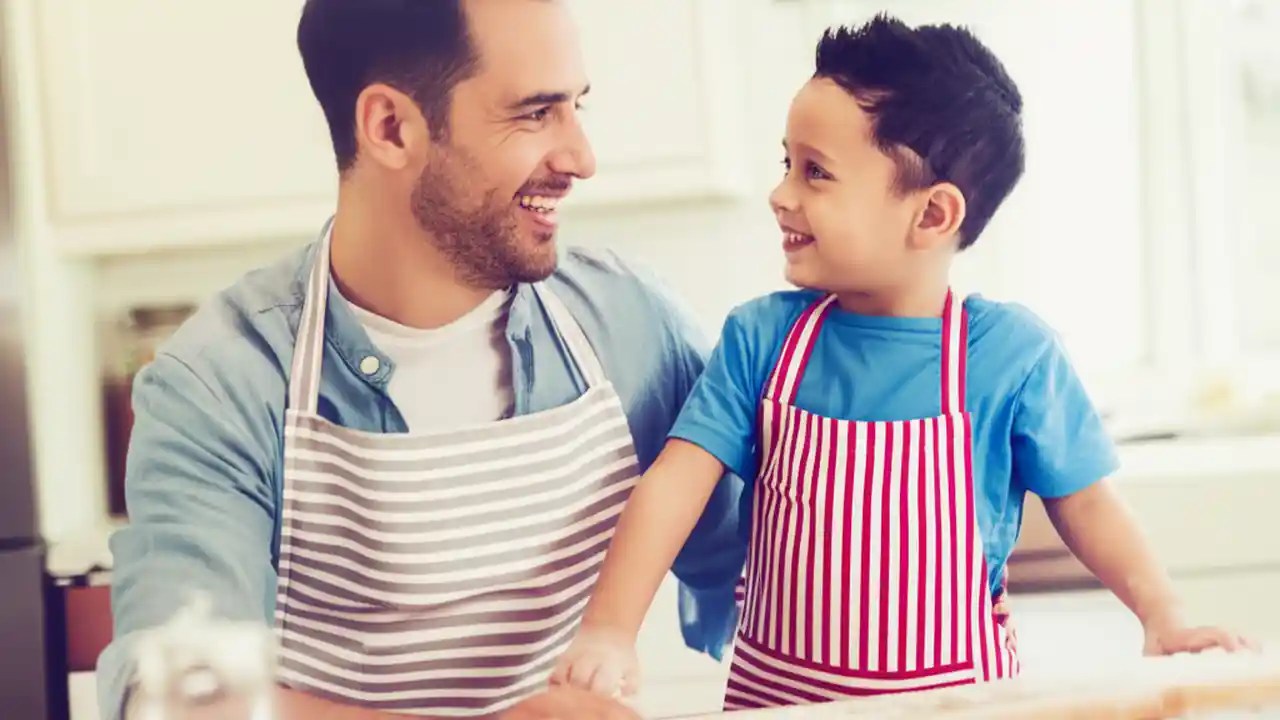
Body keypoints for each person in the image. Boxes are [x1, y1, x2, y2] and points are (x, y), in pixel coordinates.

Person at [550, 14, 1252, 712]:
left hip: (958, 704)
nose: (782, 194)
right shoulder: (760, 341)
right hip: (779, 703)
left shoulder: (1010, 356)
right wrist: (611, 629)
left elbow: (1087, 502)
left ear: (933, 216)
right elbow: (674, 483)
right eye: (786, 163)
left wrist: (1165, 616)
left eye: (816, 172)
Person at [96, 1, 744, 718]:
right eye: (534, 114)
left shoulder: (629, 327)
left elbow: (768, 570)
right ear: (390, 127)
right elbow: (184, 701)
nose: (581, 157)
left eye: (576, 106)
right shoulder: (222, 383)